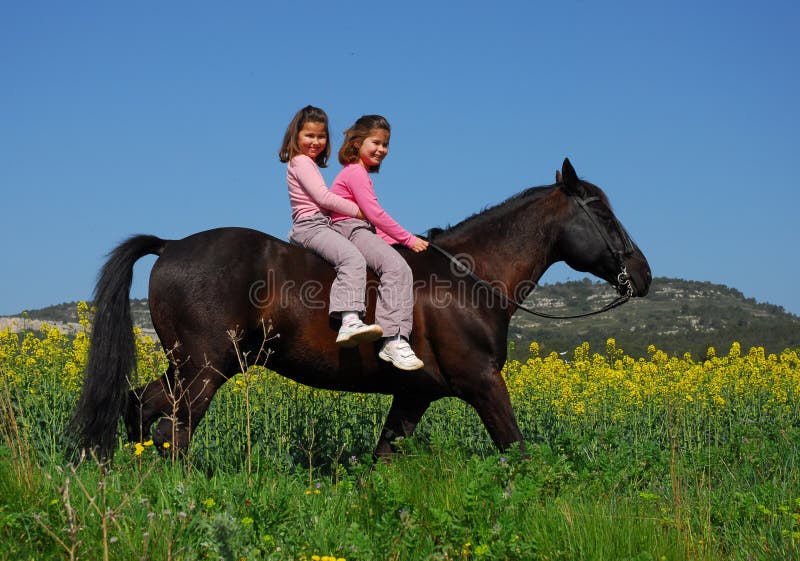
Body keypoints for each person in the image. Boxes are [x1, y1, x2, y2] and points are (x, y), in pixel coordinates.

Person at [329, 115, 429, 371]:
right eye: (376, 142)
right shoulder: (355, 173)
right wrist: (407, 238)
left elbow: (372, 224)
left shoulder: (357, 173)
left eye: (386, 145)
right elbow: (374, 214)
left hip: (358, 229)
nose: (382, 149)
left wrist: (396, 240)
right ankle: (394, 340)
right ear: (357, 143)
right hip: (351, 229)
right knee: (397, 269)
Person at [279, 105, 383, 347]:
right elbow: (323, 198)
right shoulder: (301, 161)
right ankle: (349, 320)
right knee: (351, 259)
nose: (316, 142)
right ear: (296, 136)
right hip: (311, 226)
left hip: (320, 223)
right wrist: (359, 211)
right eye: (309, 135)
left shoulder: (306, 163)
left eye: (321, 136)